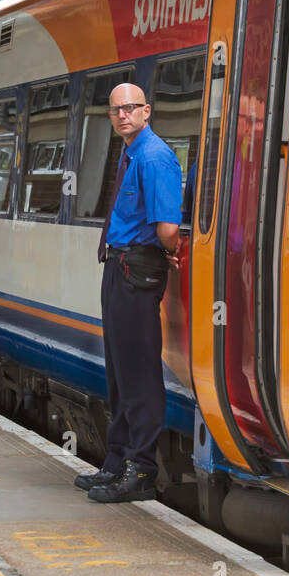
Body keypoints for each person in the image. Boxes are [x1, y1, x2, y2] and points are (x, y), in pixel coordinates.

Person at [74, 83, 183, 503]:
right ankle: (116, 461)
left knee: (138, 372)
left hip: (138, 270)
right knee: (119, 370)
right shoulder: (131, 152)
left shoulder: (155, 157)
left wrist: (167, 253)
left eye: (131, 108)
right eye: (116, 109)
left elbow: (168, 230)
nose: (123, 114)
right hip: (120, 267)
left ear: (147, 111)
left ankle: (141, 470)